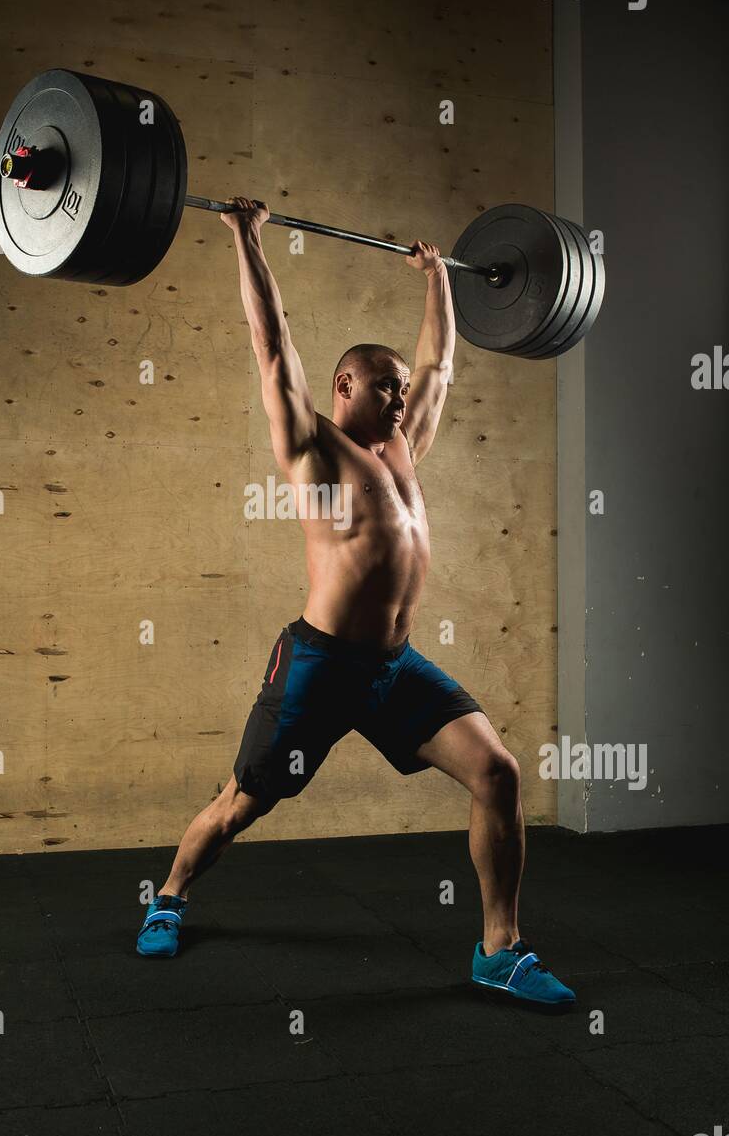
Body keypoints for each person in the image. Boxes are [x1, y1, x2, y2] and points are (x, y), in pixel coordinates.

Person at [137, 197, 574, 1009]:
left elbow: (441, 366)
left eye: (402, 389)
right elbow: (273, 348)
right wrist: (246, 239)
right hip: (319, 665)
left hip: (394, 669)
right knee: (239, 805)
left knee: (500, 773)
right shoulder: (315, 451)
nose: (404, 398)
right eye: (387, 386)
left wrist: (438, 278)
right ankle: (168, 895)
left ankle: (500, 950)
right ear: (346, 385)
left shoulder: (404, 447)